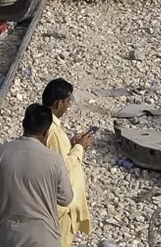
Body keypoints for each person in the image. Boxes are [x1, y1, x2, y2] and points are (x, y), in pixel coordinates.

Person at [0, 104, 74, 247]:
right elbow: (66, 199)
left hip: (7, 236)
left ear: (23, 124)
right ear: (46, 132)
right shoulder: (54, 160)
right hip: (44, 237)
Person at [42, 79, 92, 247]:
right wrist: (79, 147)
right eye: (68, 101)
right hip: (61, 206)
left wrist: (71, 144)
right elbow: (60, 167)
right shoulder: (53, 130)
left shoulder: (45, 123)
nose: (69, 106)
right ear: (59, 103)